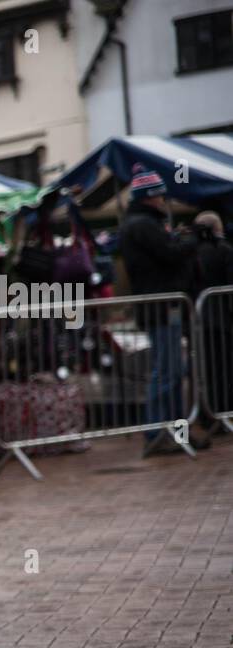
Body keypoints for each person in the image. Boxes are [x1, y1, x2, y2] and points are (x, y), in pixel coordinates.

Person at [117, 165, 205, 453]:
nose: (163, 201)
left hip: (163, 303)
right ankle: (157, 433)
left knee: (172, 370)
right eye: (159, 196)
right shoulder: (143, 225)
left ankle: (175, 432)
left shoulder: (143, 223)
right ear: (148, 197)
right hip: (161, 304)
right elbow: (169, 254)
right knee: (167, 371)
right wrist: (190, 241)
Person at [191, 211, 233, 424]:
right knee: (222, 368)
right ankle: (222, 411)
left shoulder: (191, 251)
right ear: (218, 228)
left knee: (203, 367)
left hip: (197, 319)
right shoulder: (223, 249)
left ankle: (207, 414)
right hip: (220, 317)